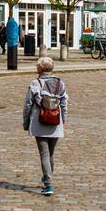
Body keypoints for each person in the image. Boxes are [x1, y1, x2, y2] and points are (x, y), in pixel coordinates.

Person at [22, 57, 67, 196]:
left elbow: (28, 104)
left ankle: (48, 184)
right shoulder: (60, 83)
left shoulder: (35, 83)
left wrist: (26, 122)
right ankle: (48, 178)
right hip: (55, 122)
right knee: (50, 154)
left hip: (39, 121)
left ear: (40, 69)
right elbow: (64, 103)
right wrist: (63, 119)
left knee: (44, 154)